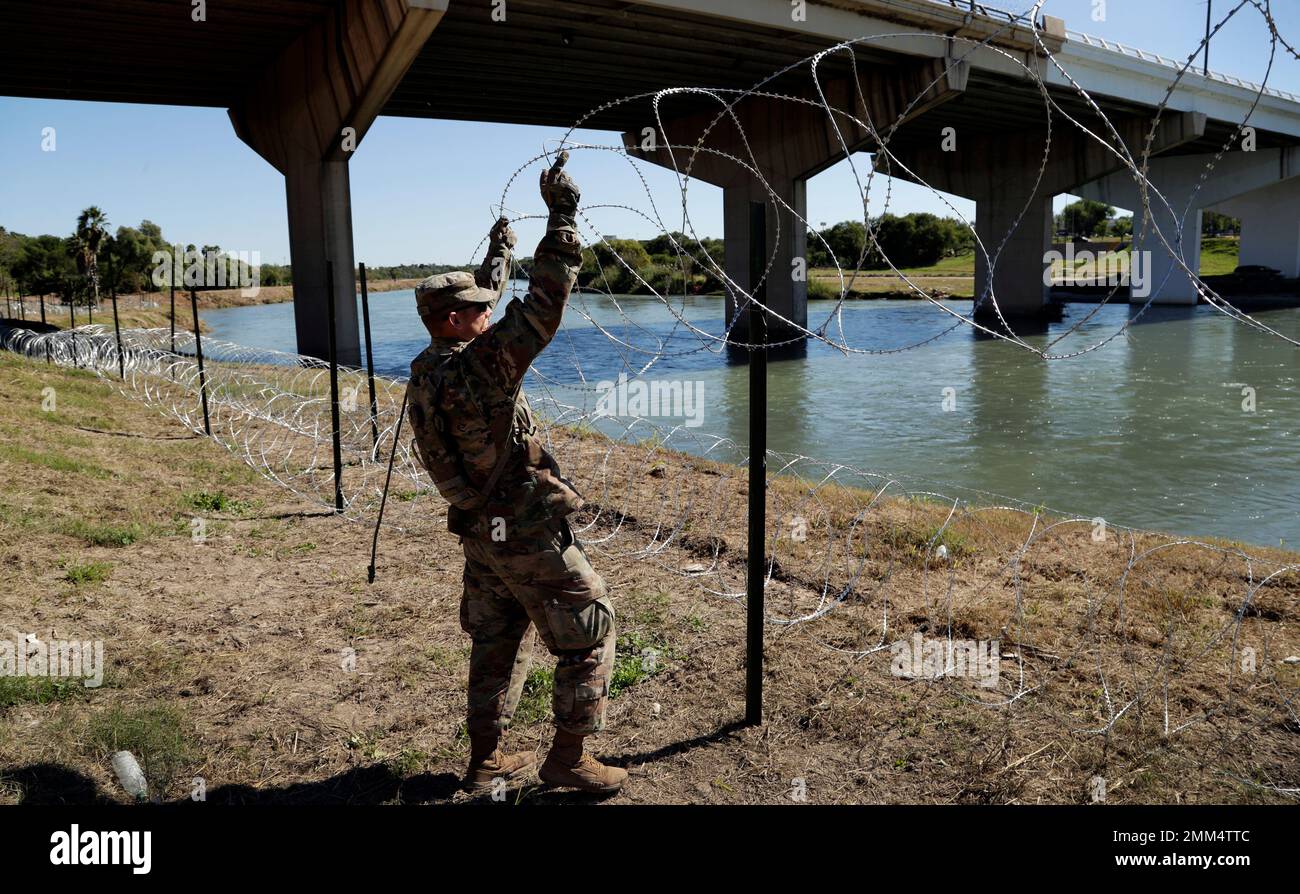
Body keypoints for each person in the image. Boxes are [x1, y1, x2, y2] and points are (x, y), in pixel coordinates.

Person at [406, 153, 626, 796]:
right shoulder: (481, 366)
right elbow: (541, 305)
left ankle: (485, 762)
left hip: (480, 529)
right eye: (475, 308)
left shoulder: (428, 367)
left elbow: (491, 302)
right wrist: (562, 214)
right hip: (525, 529)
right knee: (590, 633)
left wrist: (497, 256)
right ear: (454, 321)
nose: (485, 311)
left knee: (497, 642)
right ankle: (568, 759)